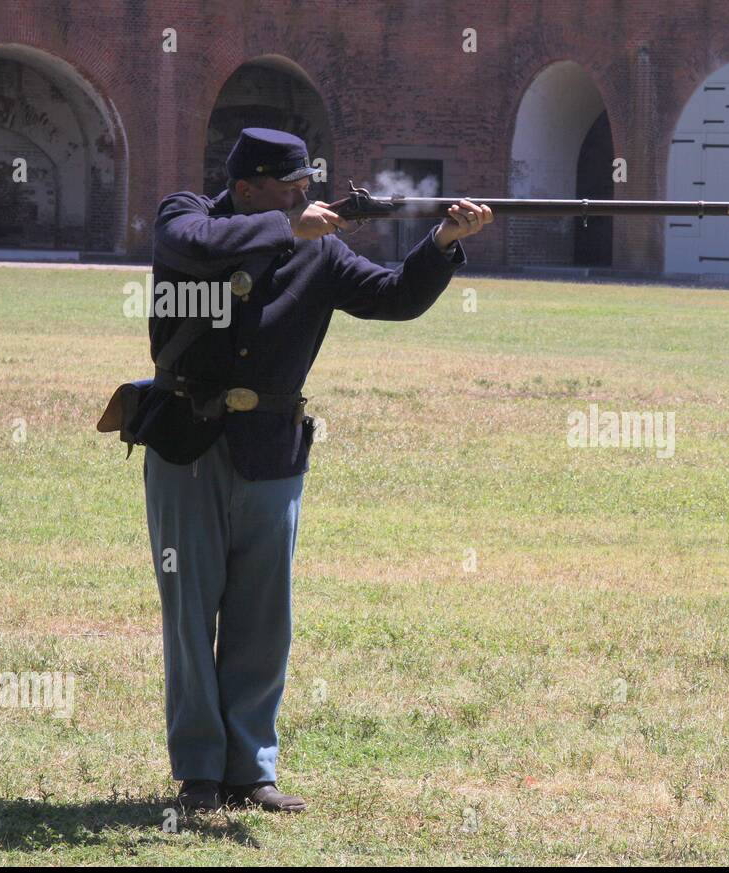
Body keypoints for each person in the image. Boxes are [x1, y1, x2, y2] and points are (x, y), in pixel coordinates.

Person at [133, 128, 492, 813]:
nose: (306, 199)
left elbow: (393, 297)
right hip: (186, 446)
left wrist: (443, 242)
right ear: (246, 190)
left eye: (306, 188)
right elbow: (197, 247)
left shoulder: (319, 250)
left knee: (263, 622)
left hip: (272, 448)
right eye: (290, 189)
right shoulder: (186, 217)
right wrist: (284, 226)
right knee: (190, 616)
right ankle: (200, 772)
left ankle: (251, 769)